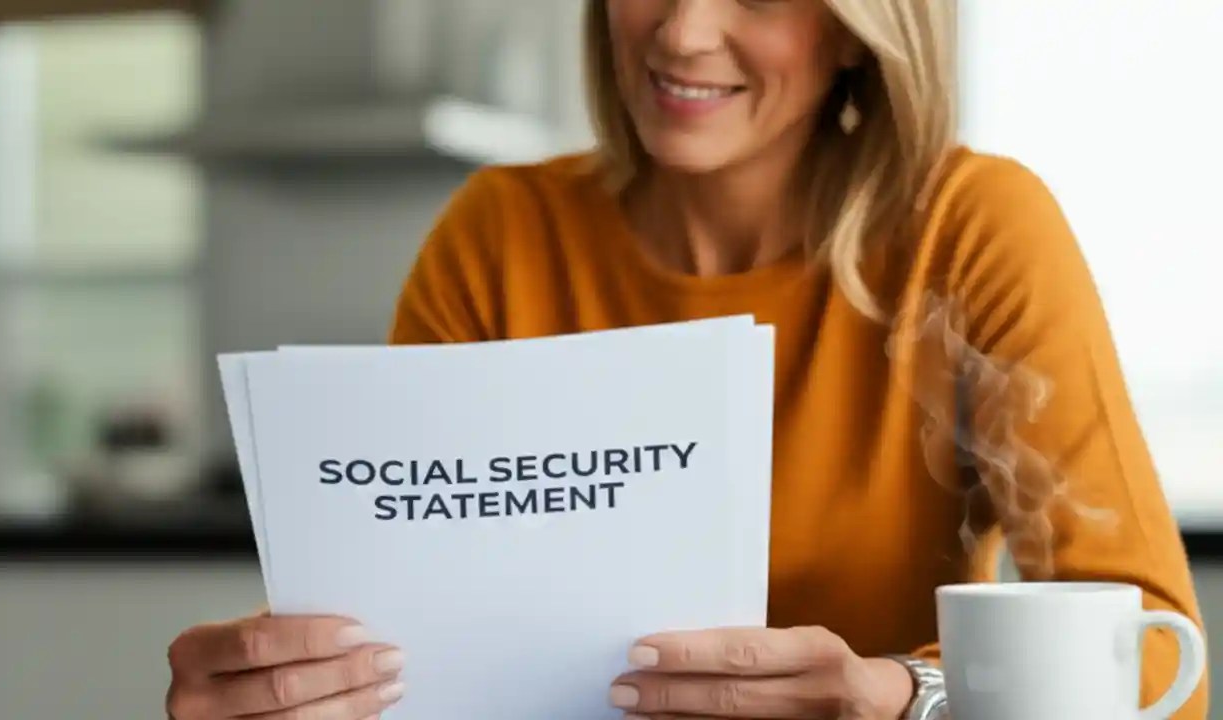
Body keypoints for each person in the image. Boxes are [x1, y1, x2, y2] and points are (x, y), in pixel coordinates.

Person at [165, 0, 1208, 718]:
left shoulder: (969, 230)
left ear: (854, 27)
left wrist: (898, 695)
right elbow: (414, 654)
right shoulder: (498, 238)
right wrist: (292, 688)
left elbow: (1162, 660)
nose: (679, 29)